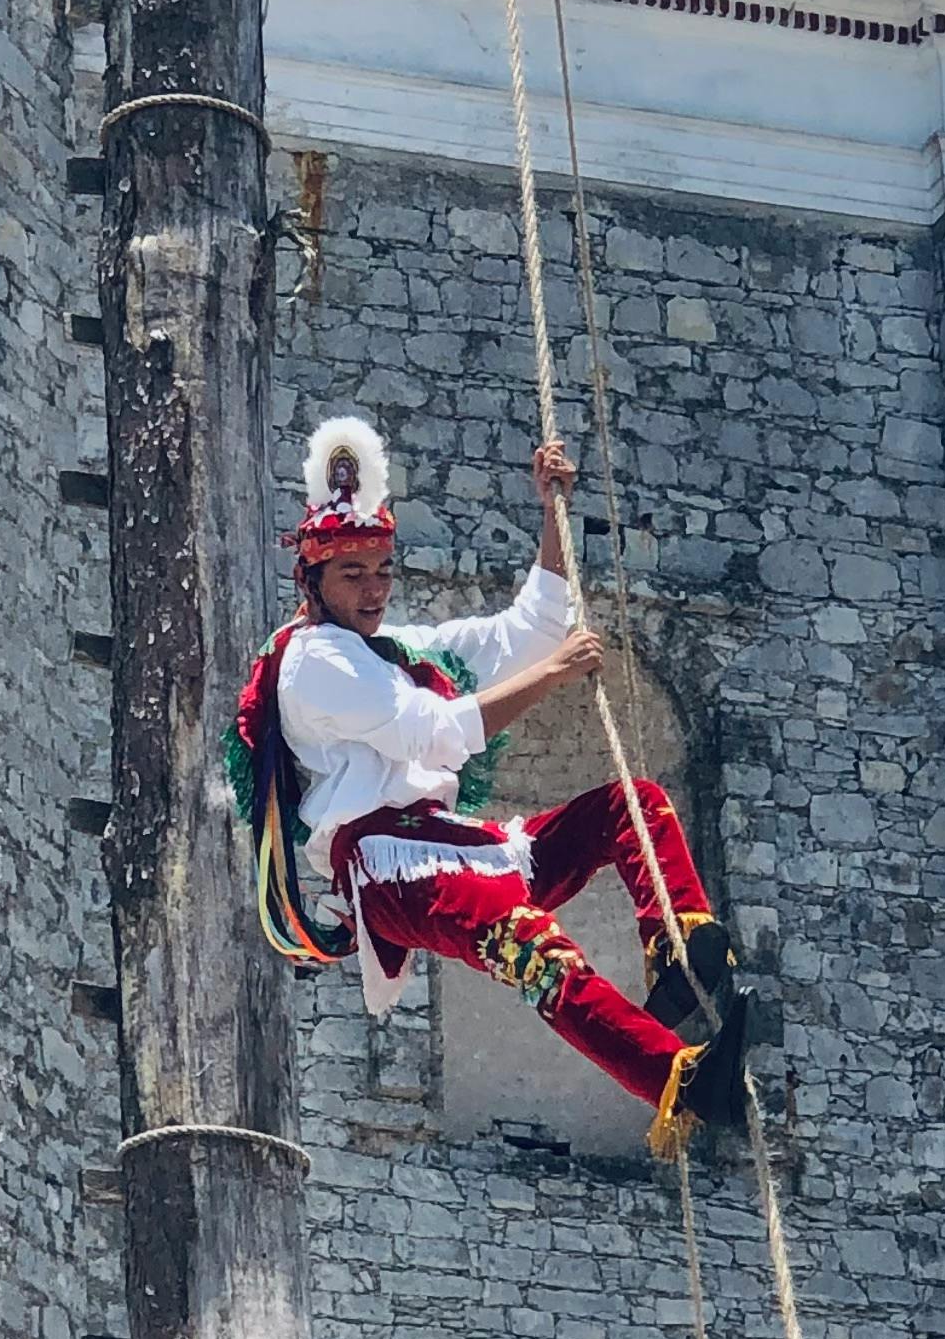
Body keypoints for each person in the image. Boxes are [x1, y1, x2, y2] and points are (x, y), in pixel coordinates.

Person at [229, 414, 750, 1157]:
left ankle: (678, 952)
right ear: (312, 580)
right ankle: (677, 1078)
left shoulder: (397, 651)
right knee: (532, 944)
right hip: (390, 865)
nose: (375, 588)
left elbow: (526, 630)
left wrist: (550, 513)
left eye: (383, 570)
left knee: (634, 807)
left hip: (460, 845)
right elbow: (432, 733)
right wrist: (556, 677)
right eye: (353, 574)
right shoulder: (313, 662)